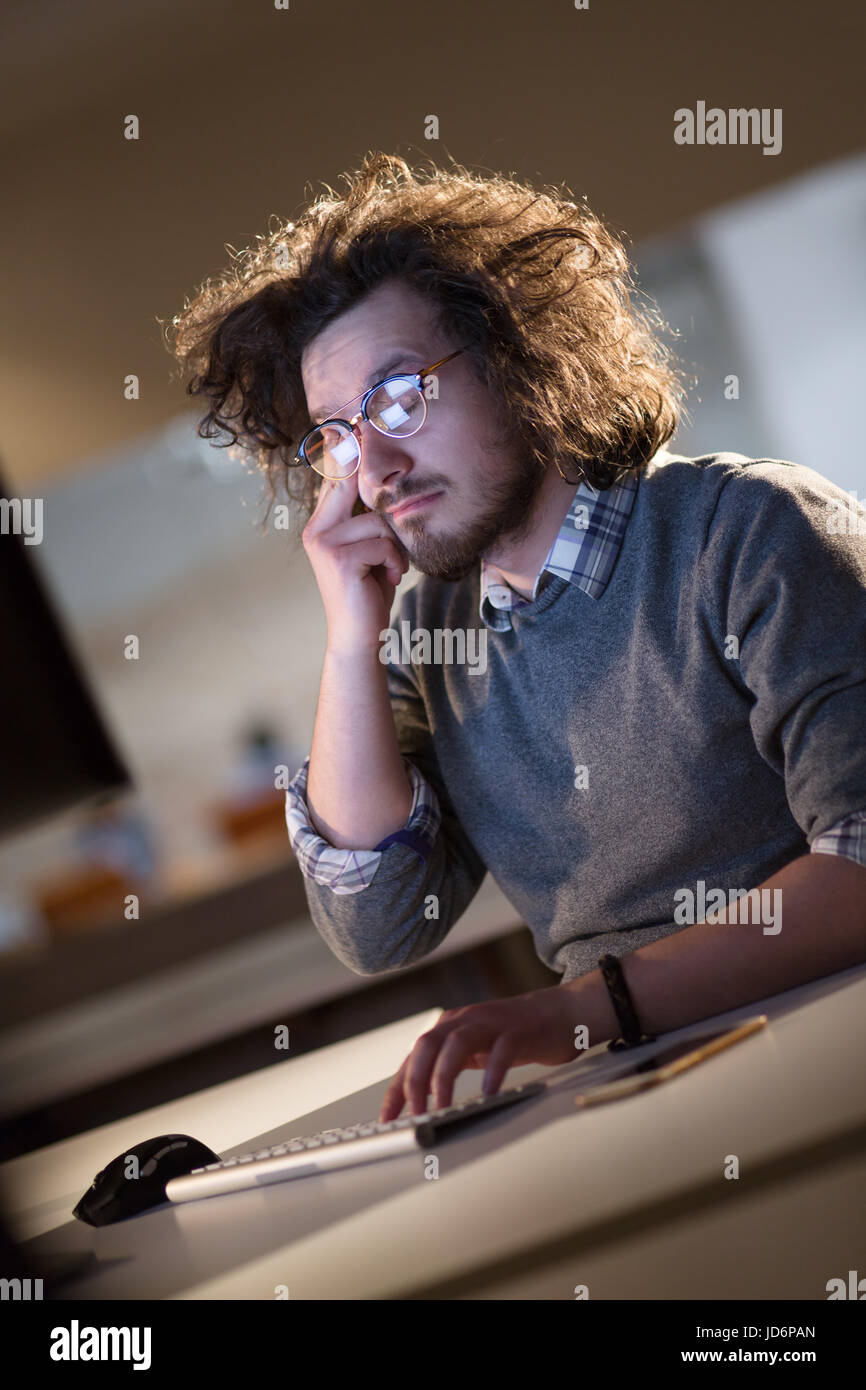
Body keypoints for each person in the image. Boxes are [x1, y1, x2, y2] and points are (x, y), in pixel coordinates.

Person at [167, 152, 866, 1122]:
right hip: (646, 1093)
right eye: (334, 433)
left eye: (398, 396)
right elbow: (379, 927)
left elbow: (858, 863)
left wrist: (590, 1007)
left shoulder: (749, 530)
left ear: (518, 356)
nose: (370, 466)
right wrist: (348, 641)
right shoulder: (431, 633)